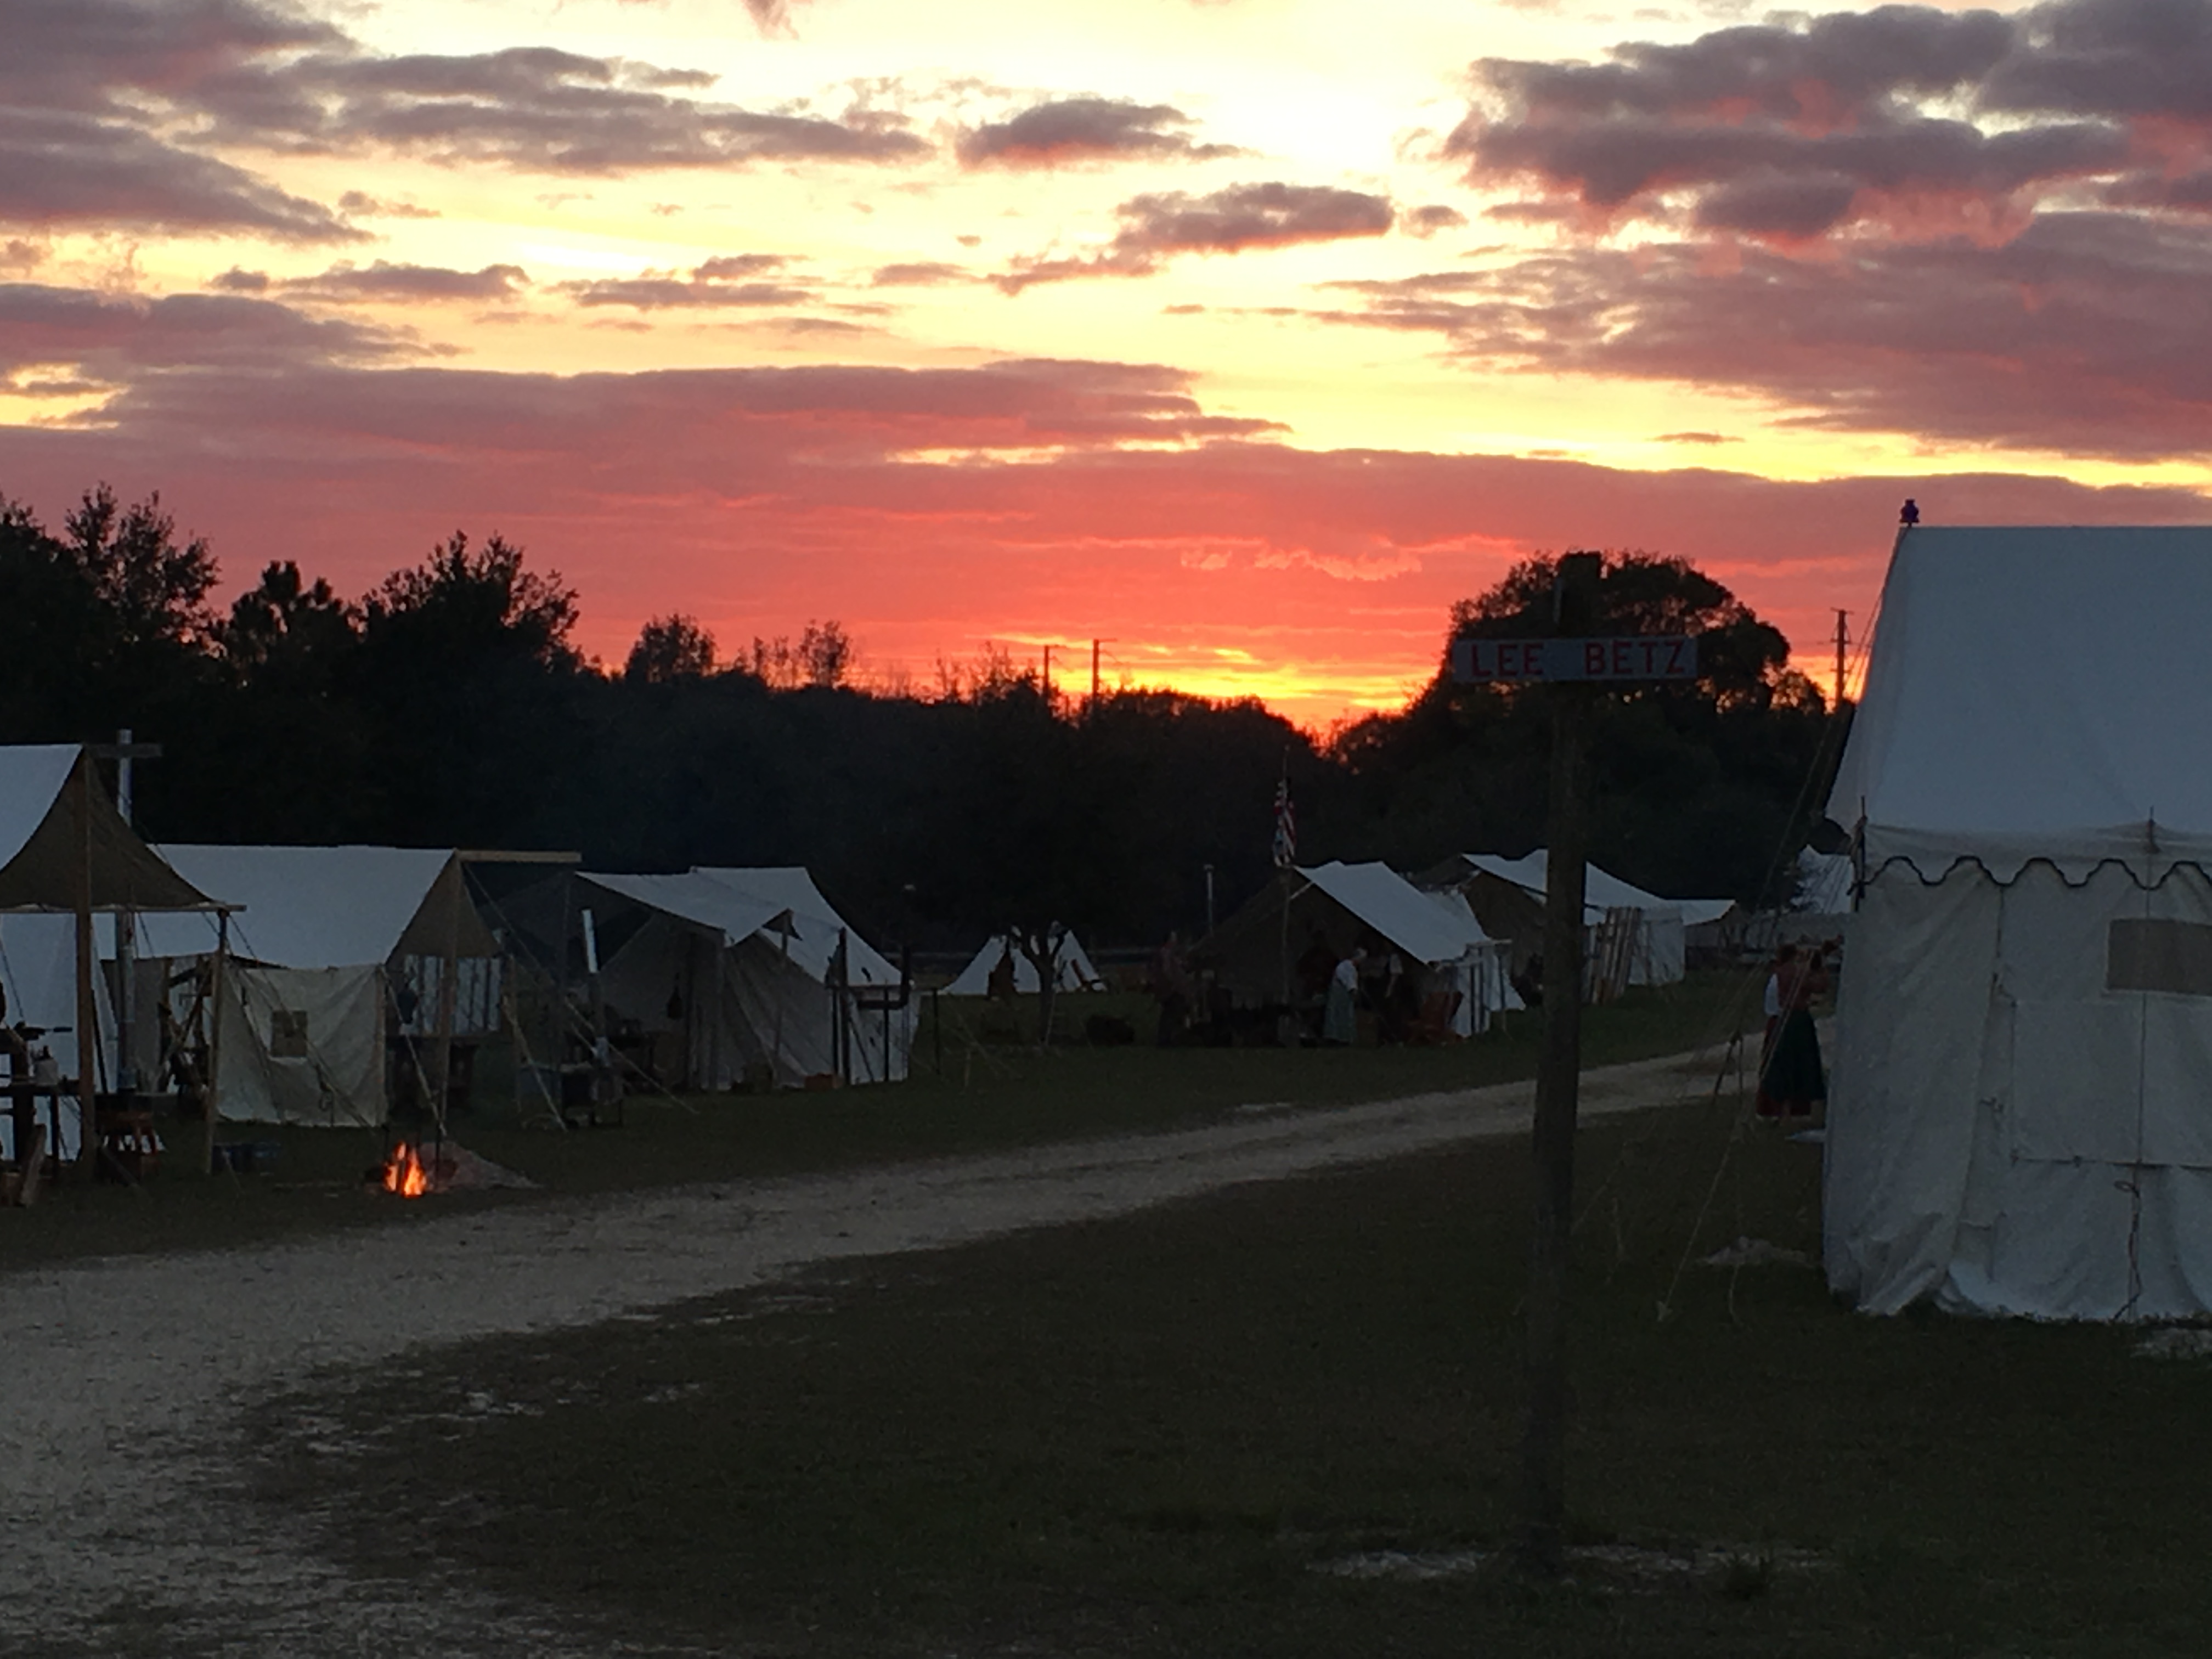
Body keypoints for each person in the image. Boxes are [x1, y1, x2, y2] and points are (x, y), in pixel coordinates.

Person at [1758, 944, 1829, 1118]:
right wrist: (1819, 965)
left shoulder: (1781, 973)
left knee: (1780, 1064)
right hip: (1793, 1019)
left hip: (1782, 1018)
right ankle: (1792, 1107)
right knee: (1796, 1063)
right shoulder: (1794, 973)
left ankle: (1778, 1108)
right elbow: (1820, 986)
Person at [1322, 946, 1362, 1046]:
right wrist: (1354, 991)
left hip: (1343, 996)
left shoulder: (1348, 967)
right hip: (1341, 995)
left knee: (1341, 1015)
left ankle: (1341, 1037)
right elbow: (1349, 981)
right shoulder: (1346, 967)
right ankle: (1339, 1038)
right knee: (1340, 1015)